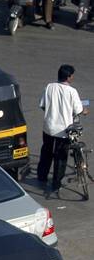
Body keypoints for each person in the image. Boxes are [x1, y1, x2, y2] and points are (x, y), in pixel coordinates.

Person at [37, 64, 85, 195]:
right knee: (60, 157)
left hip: (48, 128)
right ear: (68, 77)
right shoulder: (72, 92)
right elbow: (78, 110)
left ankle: (42, 176)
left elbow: (42, 105)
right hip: (64, 131)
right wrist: (84, 111)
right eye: (72, 75)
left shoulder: (49, 87)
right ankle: (56, 184)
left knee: (46, 152)